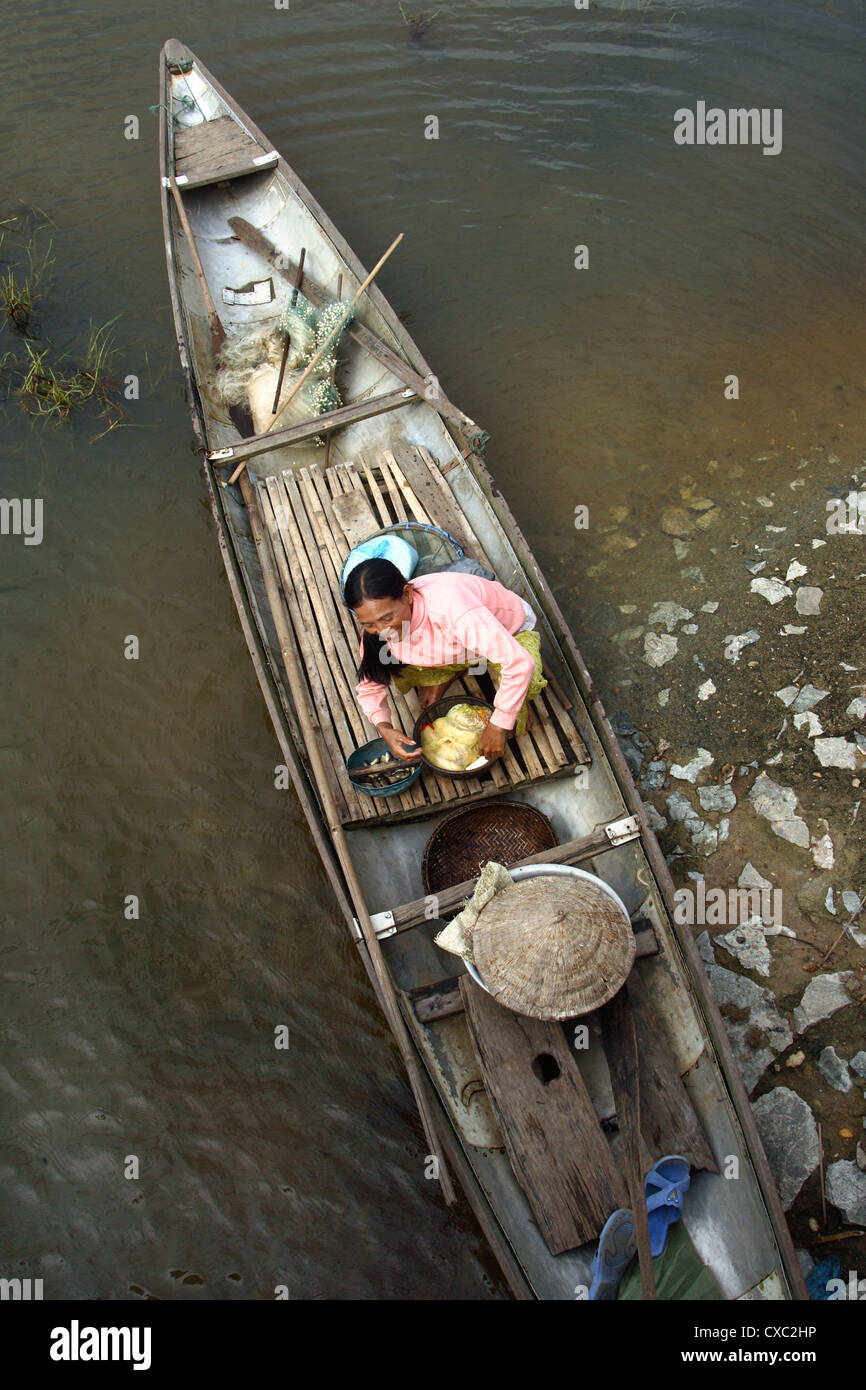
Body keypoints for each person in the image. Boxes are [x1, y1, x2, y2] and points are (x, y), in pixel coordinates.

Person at [343, 557, 547, 762]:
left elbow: (519, 663)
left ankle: (517, 698)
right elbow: (370, 684)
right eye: (369, 624)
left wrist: (498, 723)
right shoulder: (378, 629)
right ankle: (454, 671)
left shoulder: (453, 609)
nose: (381, 631)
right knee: (393, 664)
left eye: (387, 618)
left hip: (508, 634)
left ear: (408, 594)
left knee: (525, 681)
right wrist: (384, 727)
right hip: (459, 646)